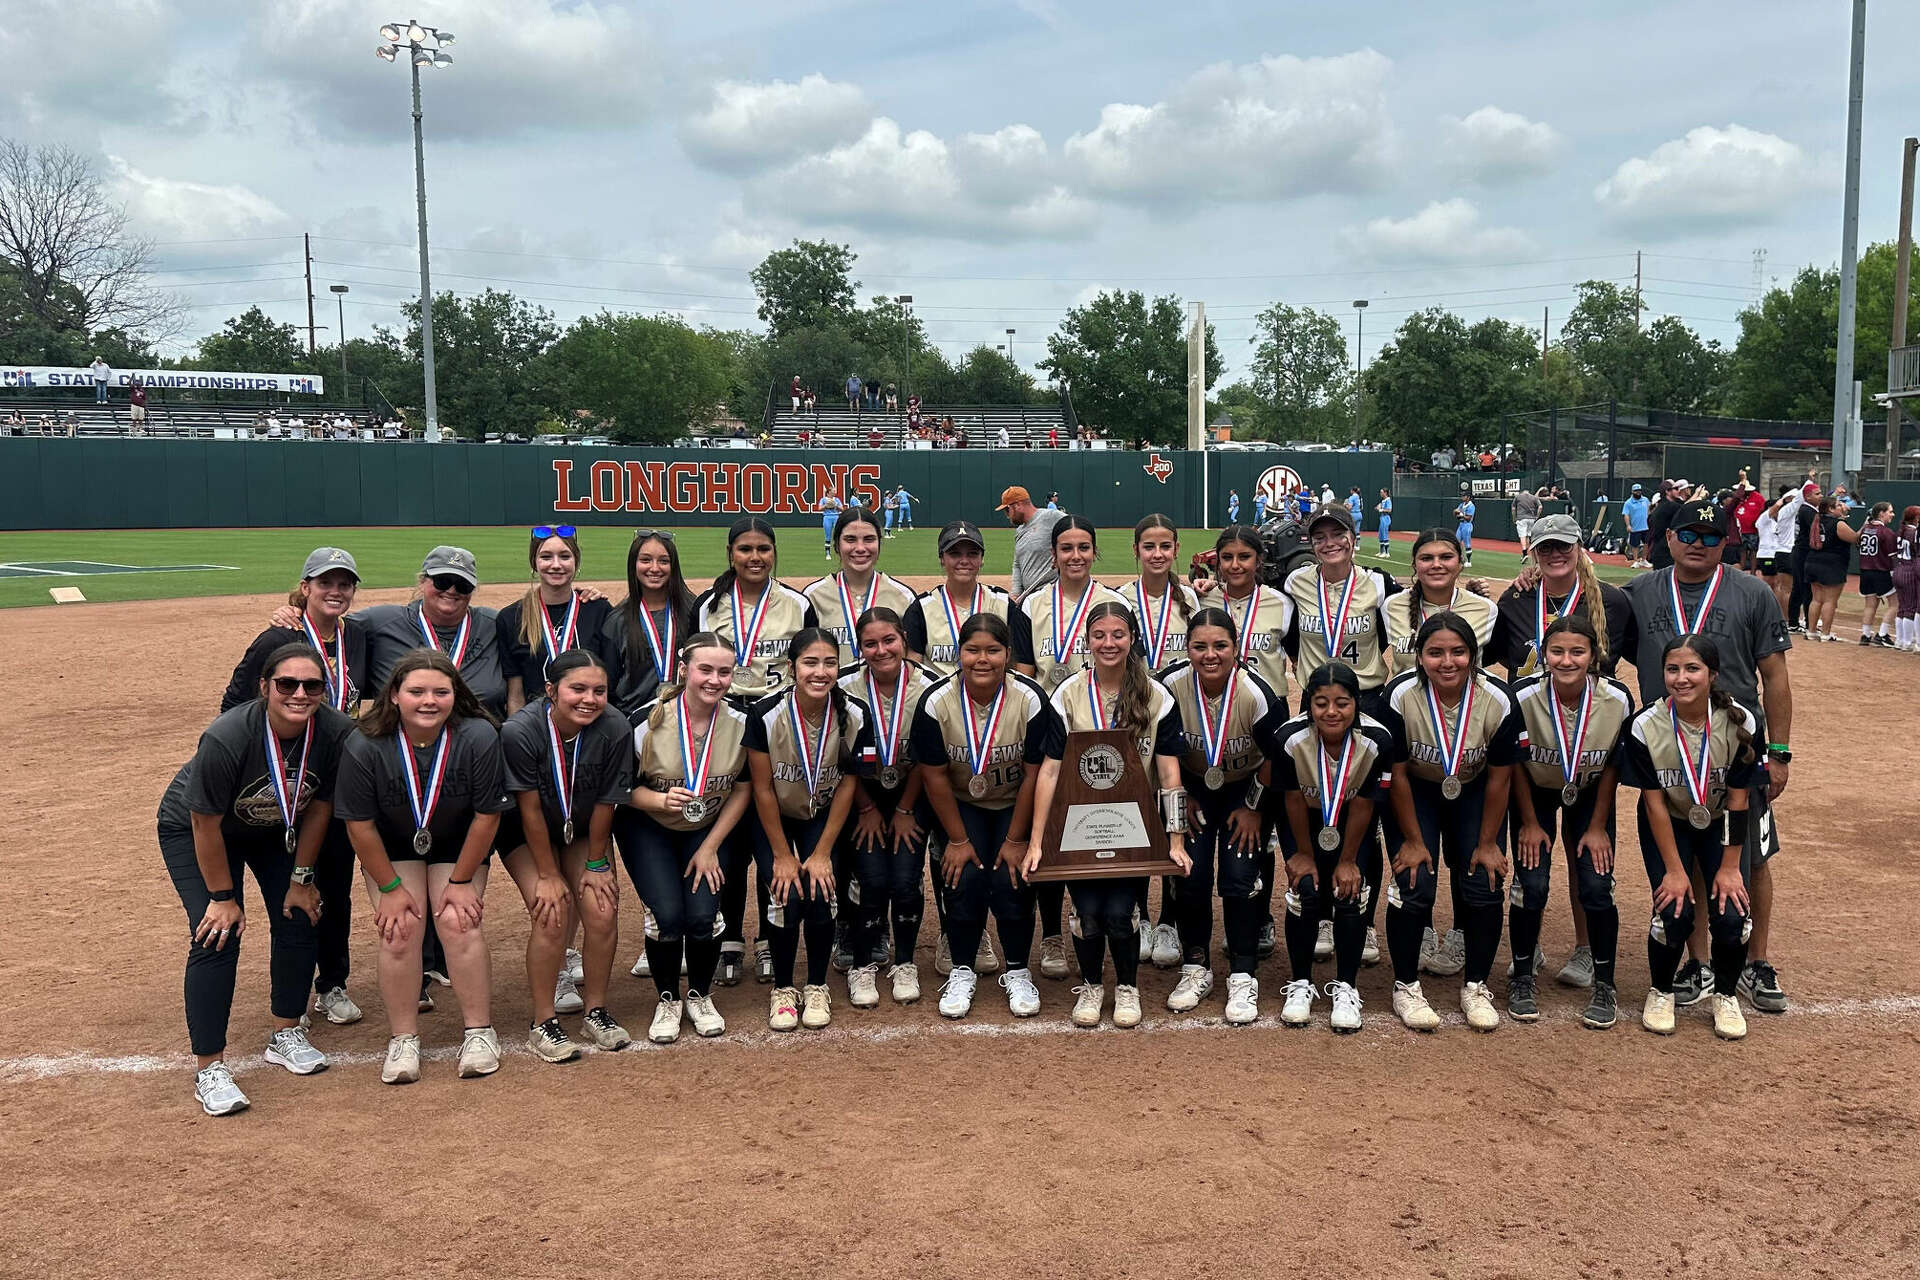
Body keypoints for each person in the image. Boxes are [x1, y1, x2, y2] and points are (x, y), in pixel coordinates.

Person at [158, 644, 354, 1115]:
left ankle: (286, 1029)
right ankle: (210, 1067)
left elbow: (321, 807)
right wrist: (223, 897)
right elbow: (203, 822)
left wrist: (302, 878)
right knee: (216, 933)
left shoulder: (335, 732)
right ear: (264, 687)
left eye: (312, 685)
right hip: (198, 830)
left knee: (300, 913)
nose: (300, 694)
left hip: (271, 827)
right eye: (287, 684)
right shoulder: (228, 736)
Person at [1618, 497, 1792, 1015]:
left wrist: (1778, 752)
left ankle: (1755, 961)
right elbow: (1591, 625)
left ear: (1727, 543)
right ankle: (1698, 961)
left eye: (1711, 537)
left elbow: (1775, 676)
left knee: (1751, 856)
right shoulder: (1640, 593)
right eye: (1687, 535)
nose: (1698, 544)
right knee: (1690, 850)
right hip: (1669, 747)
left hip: (1735, 743)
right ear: (1667, 539)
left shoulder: (1753, 592)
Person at [335, 651, 509, 1082]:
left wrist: (463, 879)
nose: (428, 701)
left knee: (457, 920)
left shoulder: (478, 735)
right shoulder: (365, 742)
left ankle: (479, 1032)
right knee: (401, 929)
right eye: (416, 691)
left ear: (456, 695)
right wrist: (391, 889)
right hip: (392, 846)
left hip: (458, 843)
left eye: (440, 691)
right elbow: (359, 826)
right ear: (394, 695)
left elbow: (488, 816)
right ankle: (403, 1038)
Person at [1025, 602, 1192, 1028]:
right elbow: (1049, 770)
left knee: (1120, 912)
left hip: (1132, 826)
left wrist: (1175, 840)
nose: (1109, 643)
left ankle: (1128, 988)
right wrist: (1037, 841)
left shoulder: (1156, 697)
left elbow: (1170, 772)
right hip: (1078, 825)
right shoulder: (1067, 695)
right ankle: (1093, 984)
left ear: (1132, 639)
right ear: (1087, 641)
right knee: (1087, 913)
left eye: (1118, 634)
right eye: (1099, 635)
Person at [223, 548, 370, 1027]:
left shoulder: (359, 637)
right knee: (292, 884)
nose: (336, 591)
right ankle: (294, 993)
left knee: (335, 884)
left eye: (344, 583)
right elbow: (232, 703)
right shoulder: (276, 638)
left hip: (333, 772)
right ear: (305, 587)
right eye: (325, 582)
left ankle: (332, 983)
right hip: (283, 780)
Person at [1377, 613, 1522, 1032]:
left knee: (1484, 881)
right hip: (1417, 791)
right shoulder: (1399, 696)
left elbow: (1500, 777)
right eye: (1435, 652)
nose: (1447, 662)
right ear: (1419, 656)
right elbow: (1398, 774)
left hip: (1474, 790)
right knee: (1415, 880)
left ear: (1473, 656)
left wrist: (1490, 841)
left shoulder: (1498, 699)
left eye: (1458, 652)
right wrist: (1411, 839)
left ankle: (1475, 985)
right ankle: (1405, 985)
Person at [911, 613, 1054, 1019]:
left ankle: (1018, 970)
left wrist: (1015, 840)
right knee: (965, 877)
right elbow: (935, 778)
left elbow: (1032, 776)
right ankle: (961, 969)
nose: (982, 659)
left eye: (993, 650)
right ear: (959, 653)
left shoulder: (1029, 699)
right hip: (961, 804)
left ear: (1008, 654)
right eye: (972, 650)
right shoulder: (936, 702)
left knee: (1013, 879)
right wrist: (956, 840)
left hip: (1013, 802)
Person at [1617, 634, 1759, 1040]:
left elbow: (1738, 801)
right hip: (1670, 822)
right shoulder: (1645, 726)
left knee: (1731, 914)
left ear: (1712, 675)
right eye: (1672, 669)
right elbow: (1655, 805)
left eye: (1692, 669)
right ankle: (1660, 990)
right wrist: (1675, 871)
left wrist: (1731, 867)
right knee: (1674, 909)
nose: (1681, 678)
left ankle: (1725, 994)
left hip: (1721, 824)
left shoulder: (1741, 722)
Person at [693, 518, 816, 984]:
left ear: (774, 552)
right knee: (732, 838)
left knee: (770, 830)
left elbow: (804, 664)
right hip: (722, 728)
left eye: (763, 548)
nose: (755, 557)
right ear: (731, 554)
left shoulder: (797, 604)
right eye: (745, 549)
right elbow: (699, 664)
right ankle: (731, 939)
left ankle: (768, 935)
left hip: (775, 729)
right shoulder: (709, 605)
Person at [498, 649, 635, 1062]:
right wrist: (548, 873)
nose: (589, 699)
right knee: (552, 910)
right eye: (577, 689)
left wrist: (596, 864)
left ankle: (596, 1010)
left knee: (601, 907)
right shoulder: (520, 731)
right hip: (525, 833)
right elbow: (529, 809)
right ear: (550, 691)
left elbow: (606, 803)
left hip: (581, 830)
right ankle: (543, 1022)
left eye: (599, 690)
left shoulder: (614, 726)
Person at [1280, 503, 1398, 969]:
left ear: (1354, 538)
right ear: (1311, 543)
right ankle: (1325, 914)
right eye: (1320, 536)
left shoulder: (1380, 585)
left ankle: (1363, 919)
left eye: (1338, 534)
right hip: (1317, 706)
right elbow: (1284, 633)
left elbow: (1405, 626)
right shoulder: (1295, 584)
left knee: (1364, 816)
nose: (1330, 542)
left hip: (1364, 699)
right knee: (1318, 807)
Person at [619, 633, 752, 1043]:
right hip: (649, 827)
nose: (714, 680)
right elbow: (623, 791)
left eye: (724, 672)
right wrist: (659, 800)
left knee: (701, 915)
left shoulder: (741, 723)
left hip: (709, 830)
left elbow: (743, 788)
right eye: (705, 670)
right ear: (684, 670)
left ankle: (699, 994)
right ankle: (667, 999)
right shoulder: (646, 721)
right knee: (668, 915)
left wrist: (711, 847)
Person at [1505, 615, 1635, 1029]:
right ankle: (1523, 974)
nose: (1566, 660)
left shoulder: (1617, 699)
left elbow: (1613, 765)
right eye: (1557, 651)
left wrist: (1597, 826)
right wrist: (1528, 821)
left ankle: (1605, 983)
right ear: (1544, 655)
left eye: (1577, 651)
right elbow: (1517, 764)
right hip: (1536, 793)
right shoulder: (1522, 696)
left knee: (1596, 884)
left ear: (1593, 655)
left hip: (1590, 793)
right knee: (1533, 883)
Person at [1159, 608, 1287, 1020]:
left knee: (1238, 877)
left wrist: (1252, 808)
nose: (1209, 655)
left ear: (1238, 648)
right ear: (1187, 647)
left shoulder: (1257, 693)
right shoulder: (1169, 687)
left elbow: (1277, 756)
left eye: (1220, 646)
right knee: (1190, 876)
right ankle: (1195, 968)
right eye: (1199, 646)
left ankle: (1243, 974)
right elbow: (1156, 751)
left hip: (1242, 790)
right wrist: (1180, 795)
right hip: (1192, 787)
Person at [744, 629, 871, 1030]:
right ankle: (783, 987)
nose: (820, 672)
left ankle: (817, 985)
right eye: (810, 663)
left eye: (829, 663)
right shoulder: (764, 714)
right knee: (784, 891)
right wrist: (783, 856)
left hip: (822, 814)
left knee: (820, 887)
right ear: (790, 668)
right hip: (775, 815)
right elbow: (762, 789)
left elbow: (850, 783)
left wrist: (821, 854)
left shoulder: (855, 713)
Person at [1020, 516, 1130, 975]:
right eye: (1066, 548)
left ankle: (1125, 911)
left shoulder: (1114, 603)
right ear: (1053, 555)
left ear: (1094, 551)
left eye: (1084, 547)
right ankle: (1050, 936)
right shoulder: (1031, 605)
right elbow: (1025, 670)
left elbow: (1129, 669)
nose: (1076, 556)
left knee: (1110, 826)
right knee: (1048, 832)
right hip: (1049, 724)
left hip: (1103, 730)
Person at [1272, 662, 1395, 1031]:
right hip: (1304, 820)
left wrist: (1348, 860)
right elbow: (1292, 798)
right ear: (1308, 703)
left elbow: (1364, 803)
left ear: (1356, 703)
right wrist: (1303, 854)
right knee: (1305, 890)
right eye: (1321, 702)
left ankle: (1346, 987)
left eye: (1342, 703)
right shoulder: (1288, 738)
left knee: (1349, 891)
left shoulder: (1378, 740)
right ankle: (1300, 983)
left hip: (1350, 820)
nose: (1331, 712)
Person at [839, 608, 939, 1006]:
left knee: (905, 879)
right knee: (872, 879)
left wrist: (904, 810)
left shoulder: (929, 687)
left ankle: (904, 961)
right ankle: (862, 964)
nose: (881, 650)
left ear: (903, 640)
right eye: (870, 644)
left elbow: (928, 757)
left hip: (911, 796)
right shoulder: (843, 687)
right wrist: (865, 808)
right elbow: (839, 756)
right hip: (859, 794)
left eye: (889, 640)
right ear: (860, 648)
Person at [495, 525, 613, 715]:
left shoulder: (598, 610)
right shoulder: (511, 618)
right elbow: (515, 695)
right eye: (546, 557)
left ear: (576, 562)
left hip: (589, 716)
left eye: (565, 556)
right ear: (534, 563)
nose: (556, 565)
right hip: (536, 723)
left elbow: (609, 681)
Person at [602, 529, 698, 724]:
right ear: (633, 564)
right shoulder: (617, 620)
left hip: (687, 721)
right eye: (645, 560)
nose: (655, 568)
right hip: (634, 722)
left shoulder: (694, 612)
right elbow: (608, 684)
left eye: (664, 561)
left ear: (674, 566)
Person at [801, 505, 917, 666]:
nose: (860, 548)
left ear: (879, 543)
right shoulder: (813, 596)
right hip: (831, 690)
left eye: (869, 539)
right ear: (836, 545)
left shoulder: (904, 596)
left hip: (887, 691)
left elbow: (912, 658)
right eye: (850, 539)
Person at [1802, 494, 1858, 642]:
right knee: (1830, 601)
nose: (1842, 507)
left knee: (1816, 599)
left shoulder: (1817, 520)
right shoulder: (1838, 523)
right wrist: (1866, 524)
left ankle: (1811, 631)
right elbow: (1855, 538)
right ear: (1831, 509)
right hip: (1832, 564)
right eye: (1839, 505)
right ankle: (1826, 633)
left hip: (1813, 561)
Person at [997, 485, 1067, 595]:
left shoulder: (1050, 516)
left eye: (1007, 510)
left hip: (1052, 595)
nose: (1007, 515)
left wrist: (1064, 554)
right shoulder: (1020, 530)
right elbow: (1017, 563)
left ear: (1018, 505)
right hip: (1030, 596)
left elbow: (1077, 528)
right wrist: (1016, 592)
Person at [1754, 485, 1798, 621]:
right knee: (1769, 584)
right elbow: (1774, 509)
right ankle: (1764, 611)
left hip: (1777, 555)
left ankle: (1775, 611)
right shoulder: (1763, 519)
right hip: (1766, 555)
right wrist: (1783, 500)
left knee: (1778, 584)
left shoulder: (1779, 521)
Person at [1857, 502, 1898, 646]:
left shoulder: (1865, 529)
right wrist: (1895, 574)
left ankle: (1865, 634)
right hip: (1881, 571)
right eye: (1890, 511)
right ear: (1881, 513)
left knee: (1870, 604)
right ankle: (1882, 634)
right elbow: (1893, 557)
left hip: (1865, 571)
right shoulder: (1887, 532)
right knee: (1895, 603)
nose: (1892, 514)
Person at [1893, 505, 1920, 651]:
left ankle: (1900, 640)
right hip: (1909, 571)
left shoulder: (1901, 530)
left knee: (1902, 608)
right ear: (1916, 518)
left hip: (1899, 569)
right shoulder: (1913, 532)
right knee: (1910, 608)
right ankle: (1907, 642)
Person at [1622, 484, 1651, 568]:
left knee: (1646, 543)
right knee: (1635, 545)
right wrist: (1628, 525)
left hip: (1646, 527)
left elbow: (1649, 510)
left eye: (1639, 490)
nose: (1638, 492)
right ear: (1632, 492)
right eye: (1636, 491)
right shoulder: (1628, 503)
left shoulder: (1645, 500)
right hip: (1635, 527)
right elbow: (1626, 515)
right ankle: (1635, 561)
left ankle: (1644, 560)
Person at [1513, 485, 1542, 556]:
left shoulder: (1518, 497)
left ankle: (1524, 553)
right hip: (1531, 519)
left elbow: (1513, 509)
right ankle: (1533, 553)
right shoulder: (1534, 497)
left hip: (1521, 518)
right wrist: (1537, 516)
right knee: (1529, 536)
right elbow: (1540, 507)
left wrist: (1514, 518)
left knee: (1523, 536)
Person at [1452, 487, 1476, 567]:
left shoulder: (1471, 506)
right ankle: (1460, 558)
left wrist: (1461, 514)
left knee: (1467, 543)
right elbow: (1455, 513)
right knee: (1456, 542)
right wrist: (1456, 512)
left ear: (1468, 497)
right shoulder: (1462, 504)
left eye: (1464, 496)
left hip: (1467, 525)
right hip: (1461, 524)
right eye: (1462, 496)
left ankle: (1469, 561)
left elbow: (1469, 518)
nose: (1462, 497)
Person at [817, 490, 845, 558]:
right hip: (827, 517)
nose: (834, 492)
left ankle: (840, 552)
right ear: (829, 492)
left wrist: (836, 506)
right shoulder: (823, 499)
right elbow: (819, 508)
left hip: (836, 516)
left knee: (838, 535)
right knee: (828, 535)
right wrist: (826, 506)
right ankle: (827, 553)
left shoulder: (837, 499)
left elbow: (842, 509)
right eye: (833, 491)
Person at [1375, 489, 1394, 558]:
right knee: (1381, 535)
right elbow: (1378, 507)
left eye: (1381, 492)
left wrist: (1381, 510)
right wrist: (1377, 508)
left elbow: (1389, 510)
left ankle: (1387, 553)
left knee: (1384, 534)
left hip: (1386, 518)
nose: (1380, 493)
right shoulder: (1383, 501)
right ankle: (1381, 551)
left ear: (1385, 493)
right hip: (1382, 518)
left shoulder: (1388, 500)